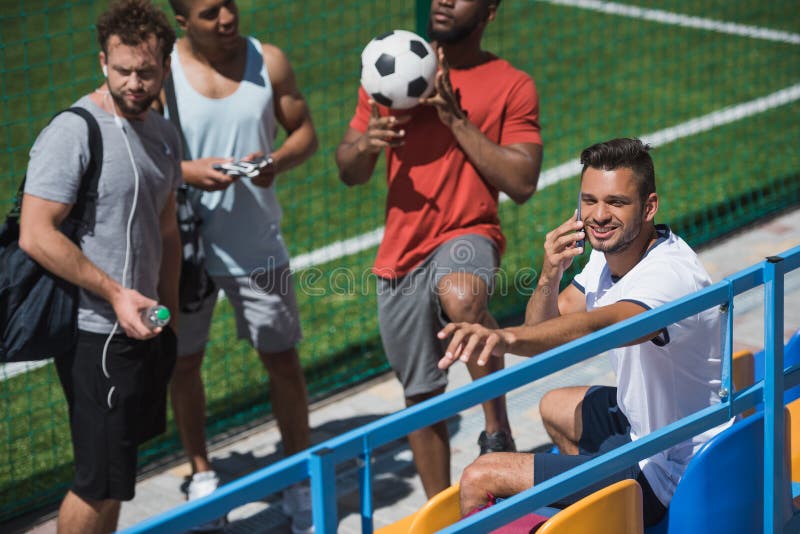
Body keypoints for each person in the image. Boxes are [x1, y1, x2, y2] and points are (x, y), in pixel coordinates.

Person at [438, 138, 728, 526]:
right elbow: (541, 332)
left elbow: (607, 324)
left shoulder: (669, 274)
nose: (599, 215)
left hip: (671, 467)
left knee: (479, 476)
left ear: (649, 207)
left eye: (616, 203)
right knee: (555, 407)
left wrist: (504, 338)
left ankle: (620, 512)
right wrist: (549, 273)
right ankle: (596, 518)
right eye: (589, 200)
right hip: (646, 427)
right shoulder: (607, 258)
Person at [335, 0, 543, 499]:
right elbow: (347, 168)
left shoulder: (512, 84)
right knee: (422, 398)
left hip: (470, 231)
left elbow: (522, 182)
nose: (443, 0)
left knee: (463, 296)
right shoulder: (395, 63)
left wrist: (455, 118)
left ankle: (496, 432)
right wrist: (365, 145)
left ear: (490, 10)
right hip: (400, 252)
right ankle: (441, 512)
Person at [17, 1, 181, 532]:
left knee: (118, 476)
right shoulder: (74, 130)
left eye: (146, 72)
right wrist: (115, 293)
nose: (134, 82)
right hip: (97, 334)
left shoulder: (162, 134)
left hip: (143, 329)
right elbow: (35, 233)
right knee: (96, 481)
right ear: (102, 62)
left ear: (166, 67)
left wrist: (168, 312)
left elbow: (166, 230)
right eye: (122, 70)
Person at [162, 0, 318, 531]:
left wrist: (276, 161)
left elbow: (304, 133)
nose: (226, 18)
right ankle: (202, 472)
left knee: (282, 360)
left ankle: (298, 477)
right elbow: (134, 150)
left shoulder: (267, 60)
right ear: (182, 21)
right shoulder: (160, 72)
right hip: (181, 251)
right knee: (184, 364)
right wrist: (186, 170)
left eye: (229, 4)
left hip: (257, 245)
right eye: (210, 13)